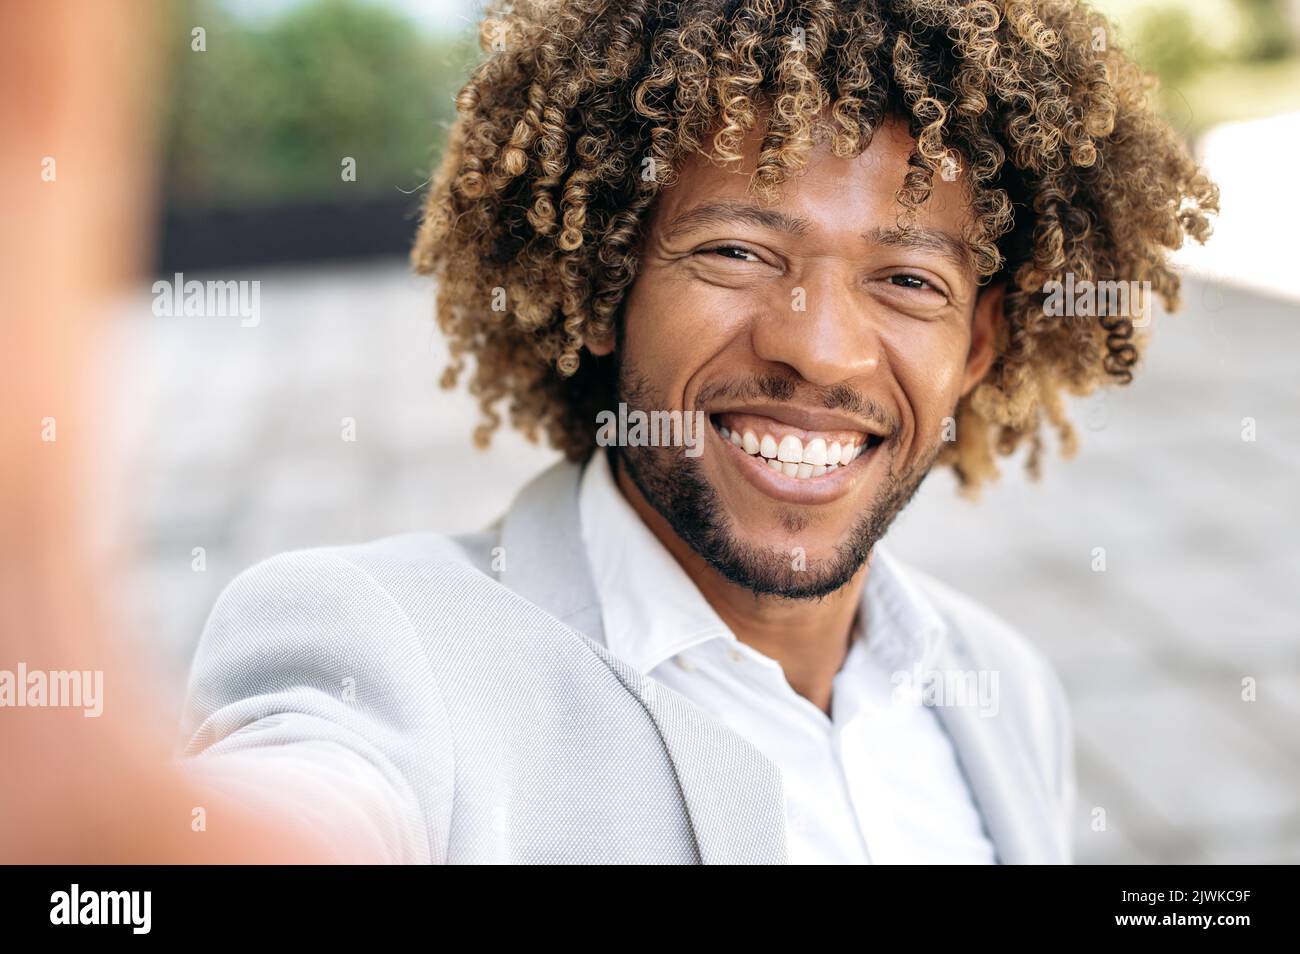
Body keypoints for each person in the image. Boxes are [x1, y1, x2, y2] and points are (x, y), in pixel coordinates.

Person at [180, 0, 1218, 863]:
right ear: (605, 280)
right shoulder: (385, 654)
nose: (819, 349)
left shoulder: (1003, 692)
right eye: (736, 252)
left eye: (907, 280)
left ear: (978, 348)